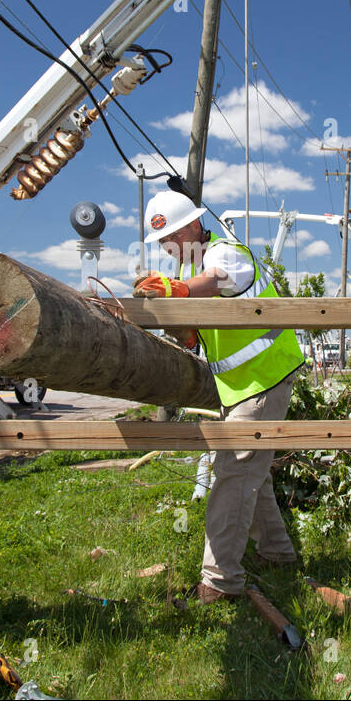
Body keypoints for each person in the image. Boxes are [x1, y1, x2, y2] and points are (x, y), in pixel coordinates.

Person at [134, 191, 305, 605]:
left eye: (173, 235)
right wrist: (180, 323)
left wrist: (176, 290)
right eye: (162, 242)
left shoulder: (226, 252)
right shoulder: (192, 266)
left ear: (195, 225)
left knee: (232, 472)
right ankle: (279, 555)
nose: (169, 246)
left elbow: (216, 282)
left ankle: (219, 581)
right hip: (243, 387)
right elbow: (196, 331)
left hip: (264, 378)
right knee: (253, 473)